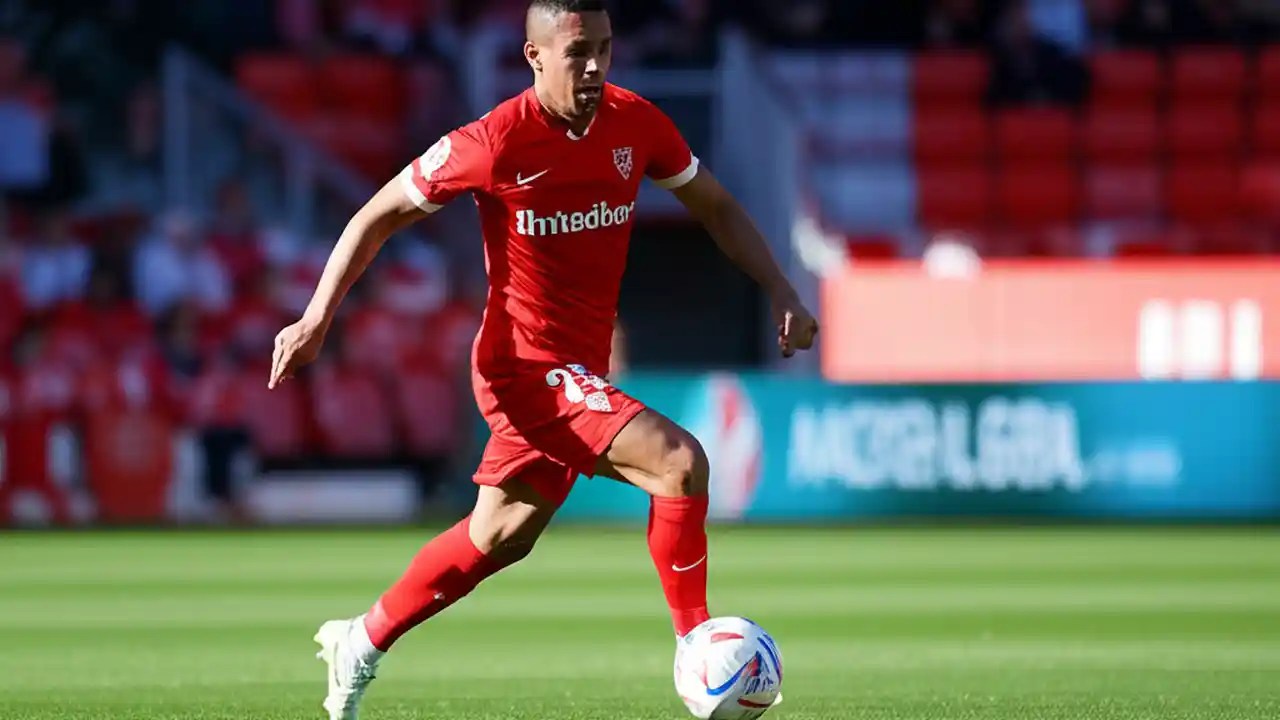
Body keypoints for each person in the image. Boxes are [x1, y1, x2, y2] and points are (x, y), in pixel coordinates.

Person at [267, 2, 818, 718]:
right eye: (577, 52)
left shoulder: (635, 123)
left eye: (605, 49)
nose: (594, 67)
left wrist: (780, 287)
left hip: (580, 369)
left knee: (499, 535)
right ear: (533, 56)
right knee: (681, 462)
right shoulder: (493, 142)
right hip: (520, 366)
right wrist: (316, 316)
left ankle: (360, 641)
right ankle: (697, 649)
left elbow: (714, 206)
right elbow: (376, 215)